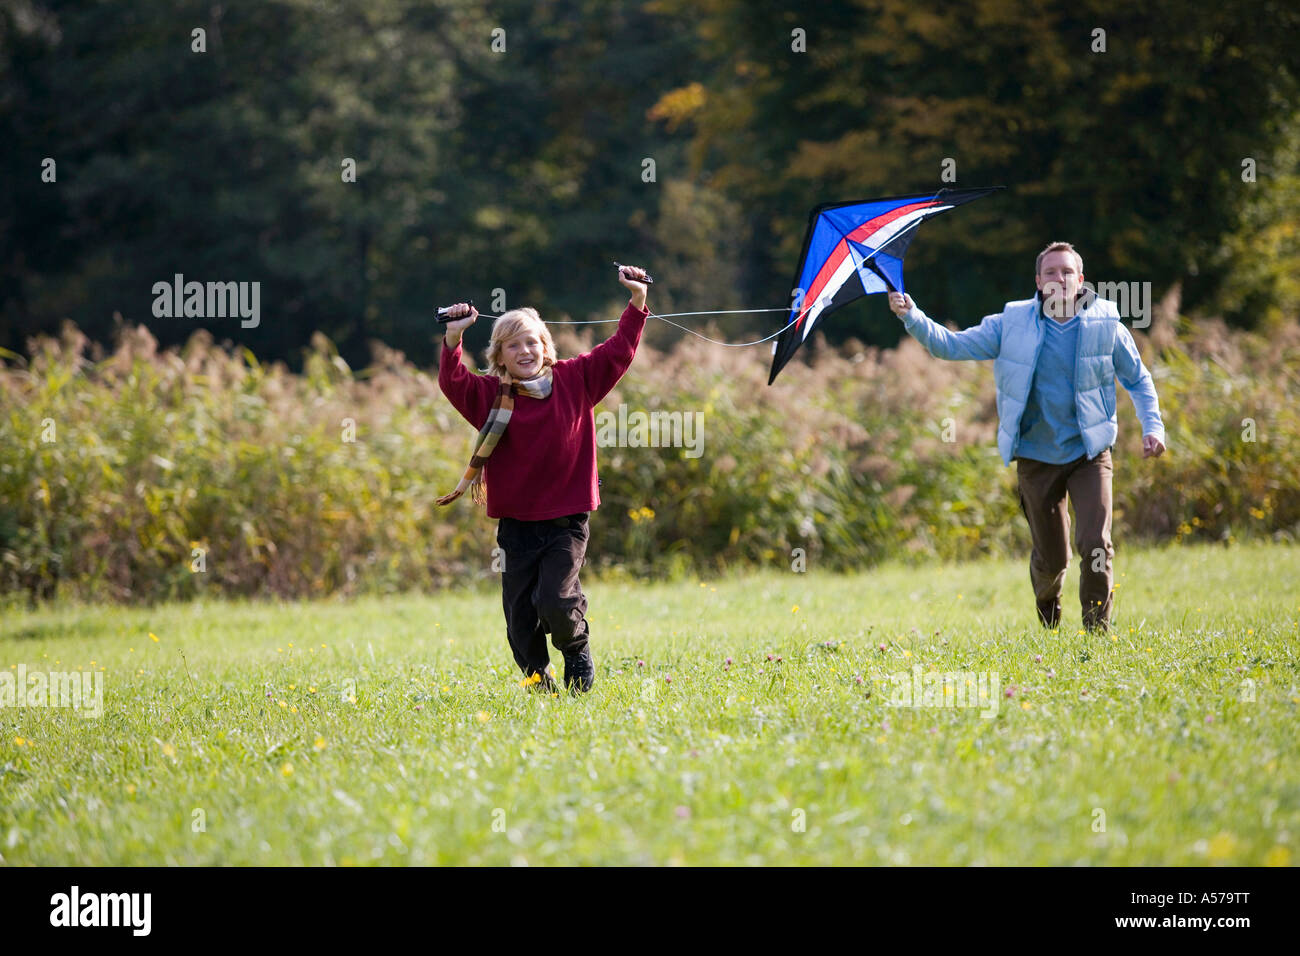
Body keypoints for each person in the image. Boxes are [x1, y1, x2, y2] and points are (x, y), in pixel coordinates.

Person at [889, 242, 1166, 632]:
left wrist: (1153, 426)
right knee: (1053, 559)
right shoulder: (1010, 323)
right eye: (1051, 272)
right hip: (1035, 455)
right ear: (1038, 281)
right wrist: (911, 315)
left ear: (1081, 280)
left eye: (1067, 272)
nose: (1059, 278)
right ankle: (1048, 606)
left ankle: (1097, 633)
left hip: (1090, 452)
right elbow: (949, 346)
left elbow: (1138, 379)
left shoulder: (1107, 324)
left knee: (1097, 545)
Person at [437, 265, 651, 693]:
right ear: (499, 357)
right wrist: (454, 336)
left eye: (531, 341)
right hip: (517, 525)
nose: (524, 351)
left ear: (546, 346)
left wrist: (637, 302)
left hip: (565, 521)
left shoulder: (577, 380)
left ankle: (576, 651)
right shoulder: (489, 397)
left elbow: (619, 349)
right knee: (519, 620)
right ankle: (540, 681)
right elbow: (452, 380)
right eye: (512, 345)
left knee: (555, 600)